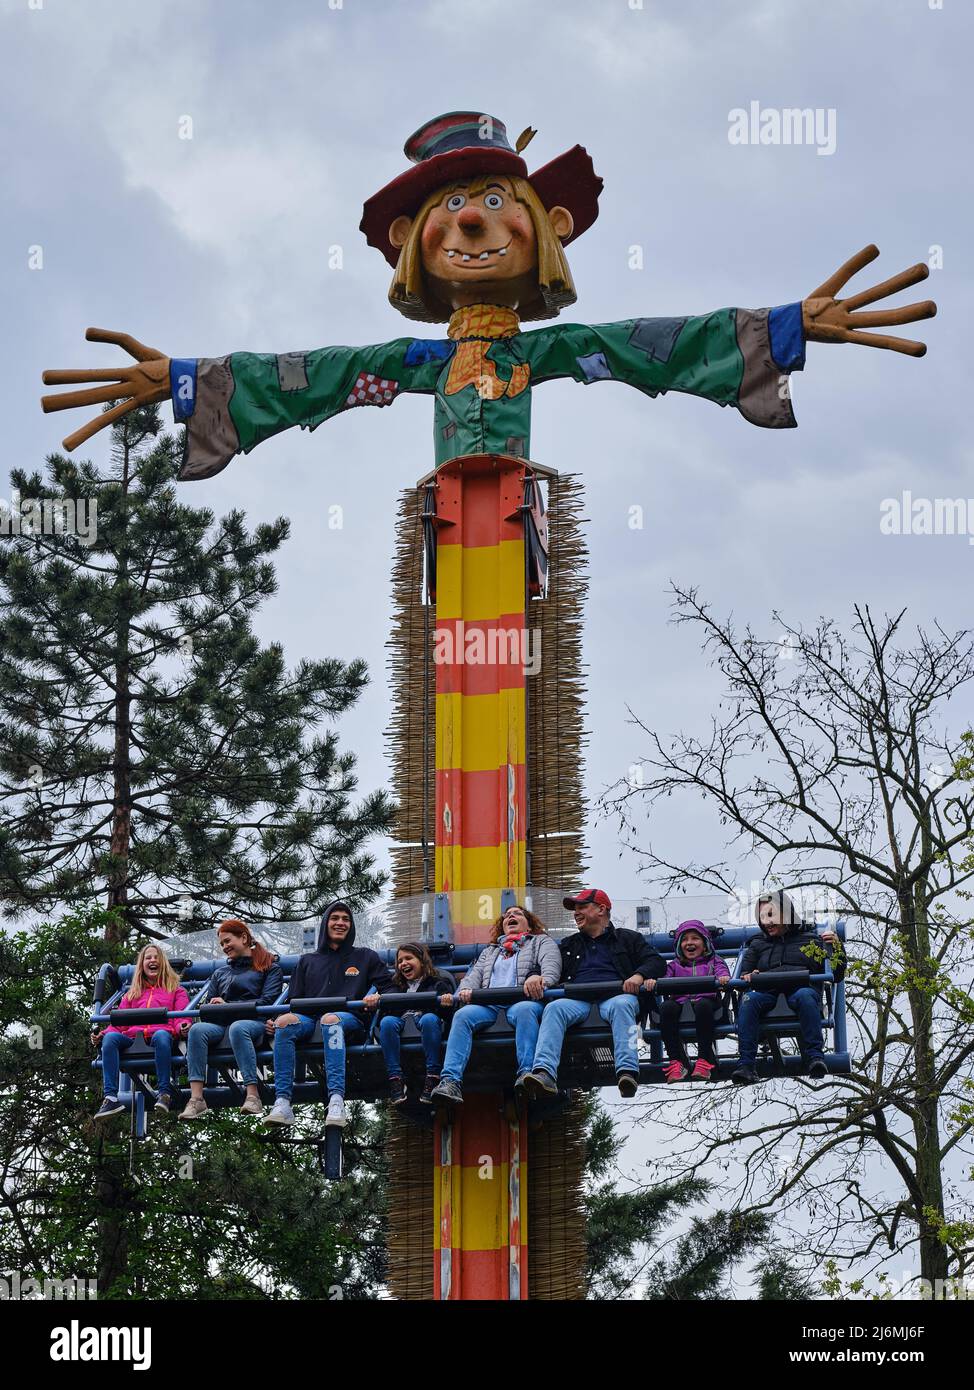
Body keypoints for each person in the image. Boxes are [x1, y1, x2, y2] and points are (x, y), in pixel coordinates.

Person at [523, 888, 666, 1100]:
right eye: (575, 909)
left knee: (623, 1005)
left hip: (615, 997)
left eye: (582, 907)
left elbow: (656, 962)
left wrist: (638, 976)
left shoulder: (628, 938)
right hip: (577, 1000)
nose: (576, 913)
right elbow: (546, 964)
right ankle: (544, 1072)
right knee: (554, 1008)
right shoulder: (569, 944)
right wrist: (534, 975)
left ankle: (627, 1071)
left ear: (601, 909)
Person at [264, 901, 392, 1129]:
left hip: (348, 1020)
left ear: (351, 926)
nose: (340, 923)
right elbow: (294, 1000)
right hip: (310, 1020)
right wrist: (276, 1021)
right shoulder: (307, 961)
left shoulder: (365, 957)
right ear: (325, 924)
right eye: (335, 918)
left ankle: (336, 1099)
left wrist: (376, 997)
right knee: (284, 1022)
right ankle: (282, 1100)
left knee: (330, 1019)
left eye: (346, 919)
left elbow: (391, 987)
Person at [429, 904, 561, 1108]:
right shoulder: (491, 951)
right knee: (463, 1016)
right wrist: (461, 994)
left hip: (520, 1000)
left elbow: (551, 967)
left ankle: (527, 1072)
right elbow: (474, 977)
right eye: (507, 916)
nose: (510, 917)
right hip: (489, 1003)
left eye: (517, 914)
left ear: (528, 923)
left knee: (526, 1011)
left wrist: (542, 980)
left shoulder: (540, 942)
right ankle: (450, 1081)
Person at [731, 890, 845, 1085]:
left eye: (771, 915)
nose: (767, 922)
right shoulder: (758, 944)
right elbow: (744, 974)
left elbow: (836, 974)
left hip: (800, 988)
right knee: (749, 1000)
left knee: (806, 996)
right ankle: (746, 1065)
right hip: (768, 992)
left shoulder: (810, 940)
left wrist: (837, 949)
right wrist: (749, 976)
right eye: (762, 918)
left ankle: (815, 1057)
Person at [179, 920, 283, 1120]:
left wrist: (227, 1005)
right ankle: (197, 1098)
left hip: (254, 1022)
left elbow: (268, 1001)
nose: (225, 947)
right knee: (197, 1031)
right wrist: (217, 1007)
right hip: (223, 1026)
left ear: (243, 938)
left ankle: (252, 1094)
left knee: (238, 1028)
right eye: (222, 944)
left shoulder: (269, 967)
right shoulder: (220, 973)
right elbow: (208, 1010)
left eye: (228, 941)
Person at [93, 944, 190, 1118]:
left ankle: (164, 1092)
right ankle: (110, 1098)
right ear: (142, 965)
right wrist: (103, 1034)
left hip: (160, 1036)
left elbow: (180, 1017)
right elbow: (119, 1024)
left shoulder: (176, 990)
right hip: (133, 1039)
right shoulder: (132, 994)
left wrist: (181, 1028)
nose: (152, 960)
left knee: (161, 1035)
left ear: (163, 963)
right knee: (110, 1039)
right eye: (148, 958)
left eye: (156, 957)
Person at [375, 943, 456, 1106]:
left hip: (426, 1023)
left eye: (408, 958)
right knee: (387, 1022)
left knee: (429, 1019)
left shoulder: (437, 983)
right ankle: (395, 1077)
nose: (403, 963)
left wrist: (446, 1001)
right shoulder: (396, 987)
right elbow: (384, 1011)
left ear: (421, 961)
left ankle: (432, 1074)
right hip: (403, 1023)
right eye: (400, 961)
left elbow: (448, 1013)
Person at [658, 921, 731, 1083]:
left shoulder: (714, 961)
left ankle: (704, 1059)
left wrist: (723, 977)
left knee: (703, 1005)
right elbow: (663, 980)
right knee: (666, 1007)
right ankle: (675, 1060)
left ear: (705, 944)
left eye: (695, 939)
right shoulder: (675, 965)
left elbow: (722, 972)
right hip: (681, 1002)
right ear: (679, 946)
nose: (689, 943)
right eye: (685, 940)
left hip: (707, 1002)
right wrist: (654, 982)